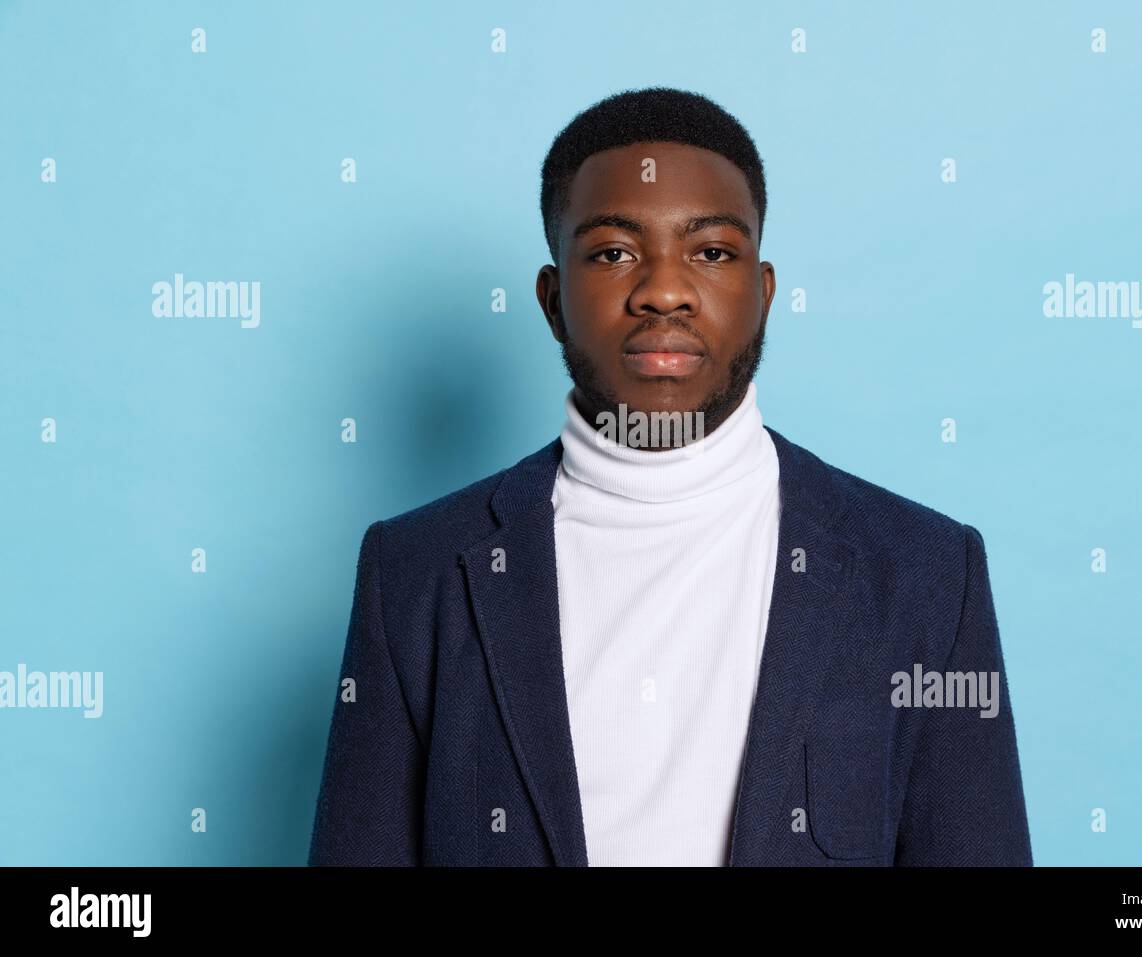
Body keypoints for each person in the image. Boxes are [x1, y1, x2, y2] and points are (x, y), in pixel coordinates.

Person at [307, 86, 1032, 867]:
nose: (663, 289)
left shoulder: (925, 572)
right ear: (553, 301)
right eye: (614, 252)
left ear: (762, 294)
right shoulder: (415, 574)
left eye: (712, 251)